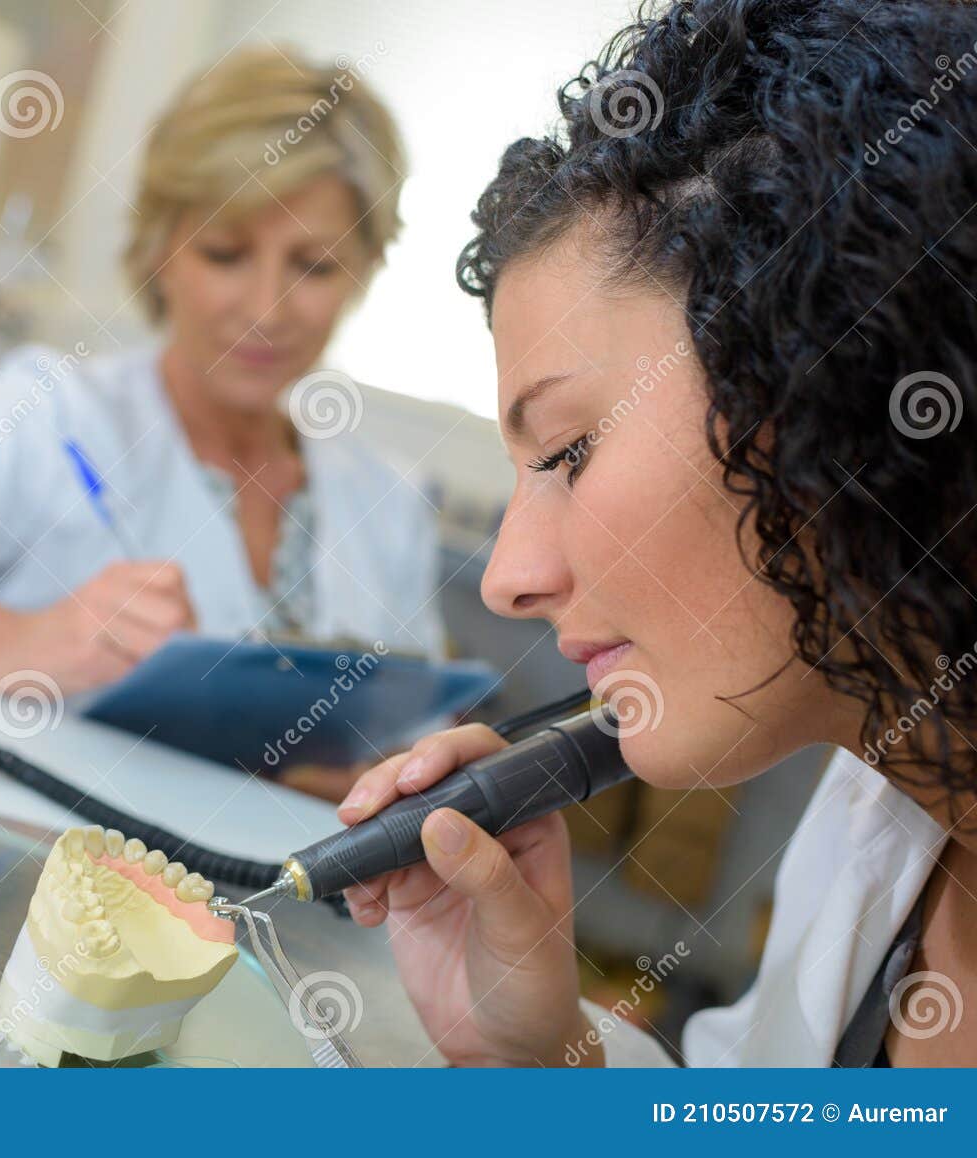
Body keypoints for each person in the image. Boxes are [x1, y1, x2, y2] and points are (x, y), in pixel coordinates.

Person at [341, 0, 977, 1066]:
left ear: (830, 380)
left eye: (567, 452)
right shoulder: (877, 806)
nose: (507, 579)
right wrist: (544, 1055)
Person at [0, 49, 445, 760]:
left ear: (363, 272)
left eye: (315, 266)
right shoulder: (51, 417)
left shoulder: (389, 506)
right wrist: (16, 644)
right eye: (225, 253)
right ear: (158, 248)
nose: (268, 310)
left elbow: (412, 741)